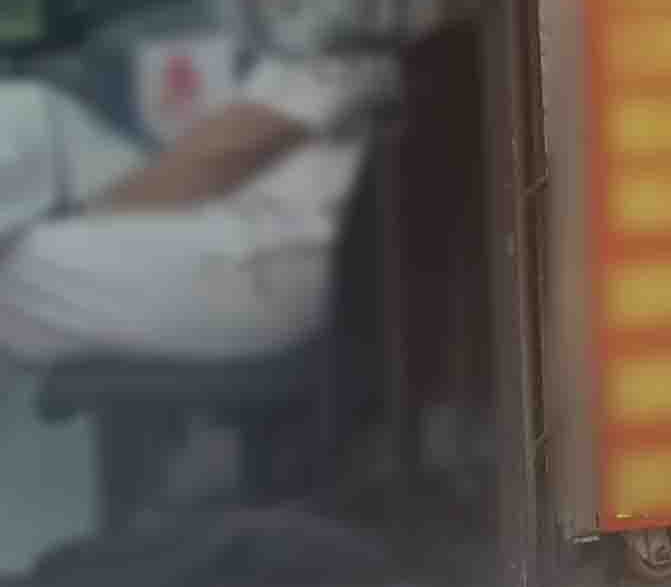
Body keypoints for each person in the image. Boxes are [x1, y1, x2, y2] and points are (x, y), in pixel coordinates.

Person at [0, 47, 384, 368]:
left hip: (272, 249)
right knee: (31, 108)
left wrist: (91, 215)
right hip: (256, 206)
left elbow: (231, 154)